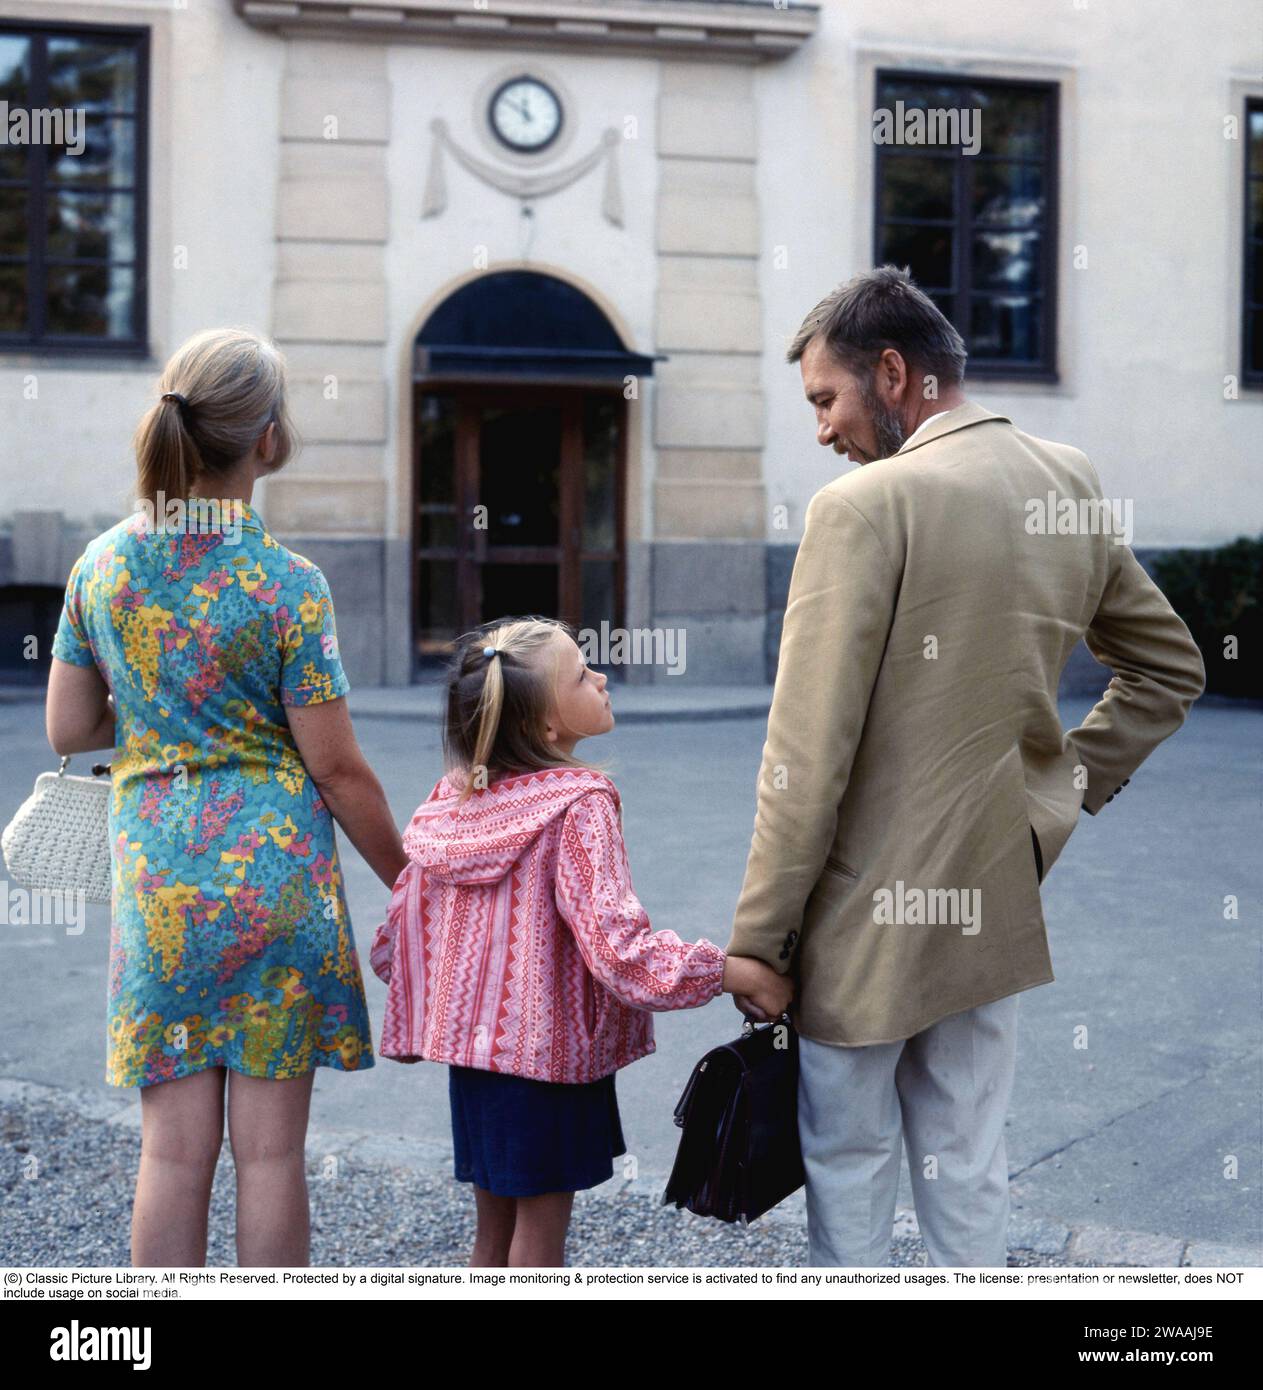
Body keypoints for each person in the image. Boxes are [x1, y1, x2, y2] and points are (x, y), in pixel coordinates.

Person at [726, 265, 1207, 1267]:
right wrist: (1057, 799)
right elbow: (1170, 666)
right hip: (993, 895)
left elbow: (805, 758)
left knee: (851, 1172)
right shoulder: (1066, 476)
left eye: (825, 399)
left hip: (859, 923)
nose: (821, 429)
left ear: (892, 372)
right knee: (970, 1166)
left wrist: (760, 938)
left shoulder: (862, 507)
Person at [44, 326, 407, 1267]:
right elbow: (335, 768)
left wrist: (171, 722)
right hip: (276, 888)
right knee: (273, 1155)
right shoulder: (288, 585)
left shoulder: (102, 567)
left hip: (159, 885)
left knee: (169, 1152)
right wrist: (409, 877)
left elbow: (70, 730)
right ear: (269, 441)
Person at [370, 616, 791, 1267]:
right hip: (547, 1063)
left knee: (492, 1232)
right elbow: (619, 952)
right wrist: (734, 972)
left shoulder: (452, 800)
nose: (599, 676)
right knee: (538, 1239)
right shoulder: (577, 803)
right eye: (580, 674)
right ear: (545, 726)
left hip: (475, 1066)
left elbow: (400, 934)